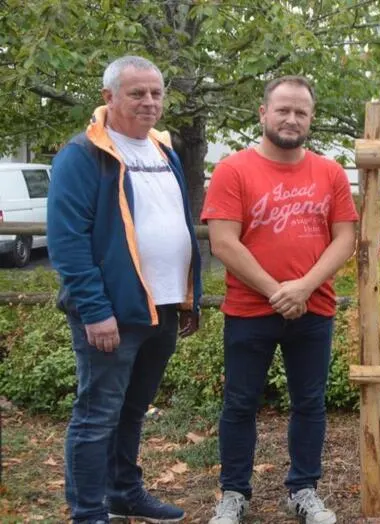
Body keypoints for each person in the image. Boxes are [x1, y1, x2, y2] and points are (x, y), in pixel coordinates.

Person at [48, 55, 203, 523]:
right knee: (97, 417)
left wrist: (188, 294)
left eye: (156, 93)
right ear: (108, 97)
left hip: (164, 306)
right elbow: (68, 241)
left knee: (133, 410)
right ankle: (88, 511)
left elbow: (174, 225)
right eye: (137, 93)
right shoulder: (83, 155)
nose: (149, 102)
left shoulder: (163, 150)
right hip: (112, 312)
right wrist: (95, 311)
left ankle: (122, 493)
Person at [202, 75, 359, 524]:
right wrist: (276, 291)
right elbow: (224, 243)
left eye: (301, 112)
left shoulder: (329, 172)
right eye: (283, 110)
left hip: (314, 309)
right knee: (240, 404)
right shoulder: (233, 170)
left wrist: (304, 287)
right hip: (250, 310)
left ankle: (303, 490)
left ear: (311, 119)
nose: (291, 119)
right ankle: (234, 494)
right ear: (263, 113)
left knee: (309, 403)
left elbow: (344, 239)